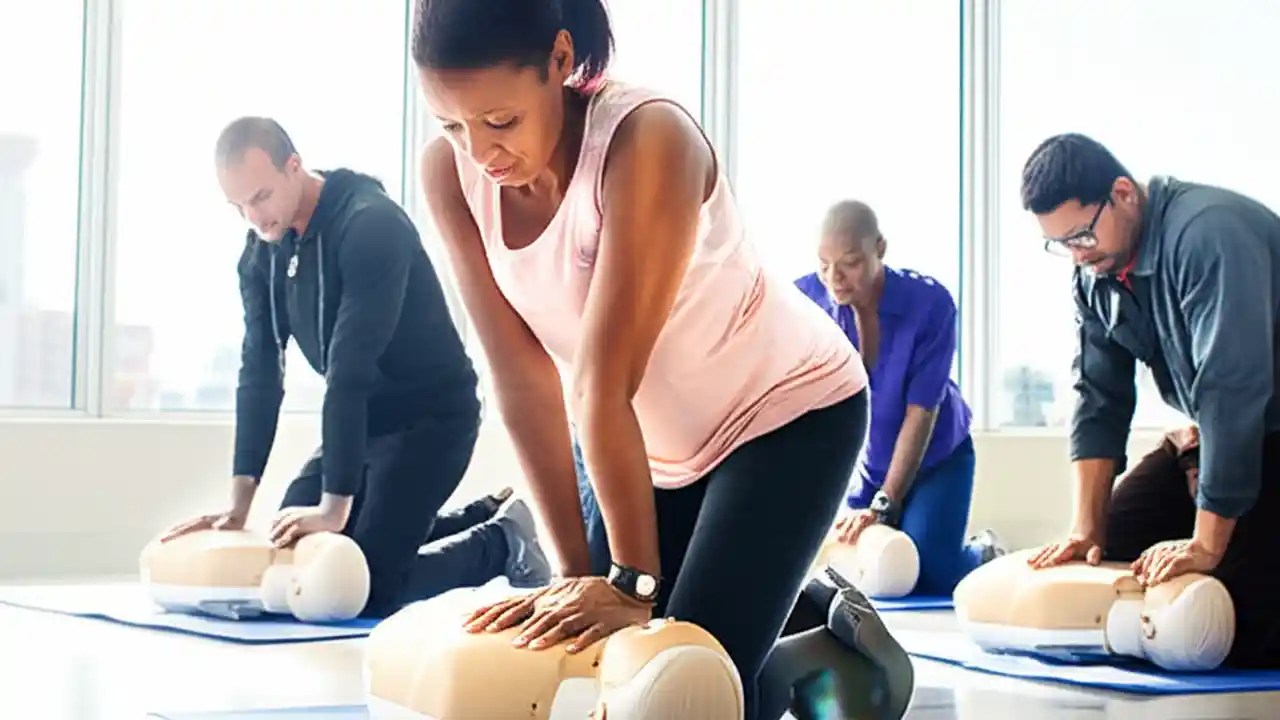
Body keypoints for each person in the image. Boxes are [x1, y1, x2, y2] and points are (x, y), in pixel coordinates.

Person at [411, 1, 898, 717]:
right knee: (606, 668)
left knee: (683, 686)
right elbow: (523, 382)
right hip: (645, 440)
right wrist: (575, 577)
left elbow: (605, 380)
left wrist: (631, 583)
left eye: (500, 122)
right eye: (451, 125)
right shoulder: (451, 176)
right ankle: (783, 631)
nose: (480, 154)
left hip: (784, 417)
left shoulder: (649, 139)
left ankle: (823, 651)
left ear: (558, 59)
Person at [159, 116, 550, 618]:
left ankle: (501, 541)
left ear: (294, 167)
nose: (253, 219)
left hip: (431, 421)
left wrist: (334, 506)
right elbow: (258, 372)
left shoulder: (370, 225)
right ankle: (477, 515)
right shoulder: (263, 250)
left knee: (359, 588)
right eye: (238, 207)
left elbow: (350, 369)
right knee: (294, 555)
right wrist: (240, 505)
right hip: (365, 423)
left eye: (260, 197)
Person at [1020, 132, 1280, 668]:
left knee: (1244, 620)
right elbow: (1099, 396)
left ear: (1123, 193)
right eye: (1061, 243)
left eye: (1082, 235)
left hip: (1259, 429)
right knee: (1101, 560)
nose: (1076, 254)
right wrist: (1085, 529)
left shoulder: (1209, 235)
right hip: (1218, 436)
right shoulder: (1093, 273)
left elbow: (1230, 390)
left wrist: (1206, 545)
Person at [794, 200, 1004, 596]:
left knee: (931, 570)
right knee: (849, 562)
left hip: (937, 459)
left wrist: (886, 504)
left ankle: (984, 553)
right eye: (824, 264)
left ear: (880, 249)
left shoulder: (930, 304)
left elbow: (921, 412)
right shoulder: (804, 301)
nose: (834, 278)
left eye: (850, 262)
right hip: (867, 466)